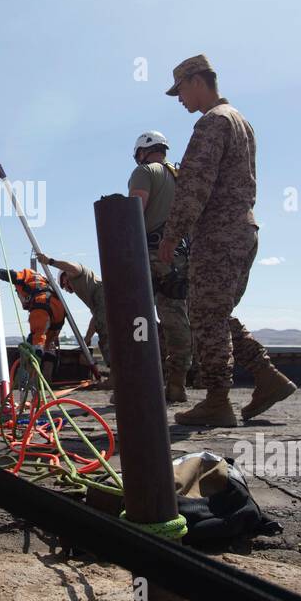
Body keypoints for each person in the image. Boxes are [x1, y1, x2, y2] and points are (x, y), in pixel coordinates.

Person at [158, 55, 297, 427]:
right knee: (213, 312)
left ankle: (218, 401)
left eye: (181, 91)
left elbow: (195, 185)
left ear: (197, 81)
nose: (180, 99)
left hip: (219, 234)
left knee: (204, 314)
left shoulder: (212, 122)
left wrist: (172, 235)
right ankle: (267, 378)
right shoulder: (240, 120)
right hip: (240, 230)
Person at [127, 131, 194, 403]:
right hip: (179, 255)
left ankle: (136, 381)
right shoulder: (179, 176)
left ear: (142, 151)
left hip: (151, 255)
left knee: (135, 317)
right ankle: (177, 382)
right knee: (176, 318)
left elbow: (134, 211)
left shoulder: (144, 171)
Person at [0, 265, 66, 383]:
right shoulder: (42, 279)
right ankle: (46, 381)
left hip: (42, 304)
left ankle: (27, 381)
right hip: (58, 309)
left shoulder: (26, 278)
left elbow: (13, 275)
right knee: (48, 345)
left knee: (34, 346)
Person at [37, 255, 109, 378]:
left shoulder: (77, 274)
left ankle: (115, 377)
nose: (65, 290)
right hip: (103, 302)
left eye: (62, 285)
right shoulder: (89, 295)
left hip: (104, 296)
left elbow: (72, 267)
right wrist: (86, 340)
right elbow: (95, 320)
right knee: (104, 337)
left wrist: (50, 261)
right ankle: (116, 373)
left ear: (65, 277)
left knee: (106, 335)